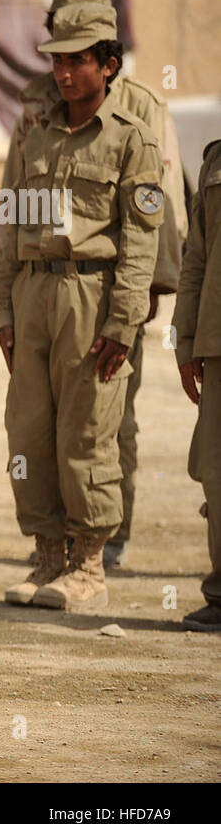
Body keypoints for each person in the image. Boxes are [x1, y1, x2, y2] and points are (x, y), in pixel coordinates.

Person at [0, 0, 184, 570]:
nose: (64, 68)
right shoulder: (35, 111)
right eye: (56, 47)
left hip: (106, 293)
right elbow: (13, 207)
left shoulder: (140, 110)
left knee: (102, 423)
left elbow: (155, 210)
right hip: (38, 289)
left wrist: (139, 302)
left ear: (107, 56)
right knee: (33, 430)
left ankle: (100, 543)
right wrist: (4, 300)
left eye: (79, 53)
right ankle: (53, 547)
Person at [172, 138, 221, 631]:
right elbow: (197, 260)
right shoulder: (215, 161)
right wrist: (185, 340)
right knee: (215, 472)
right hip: (216, 343)